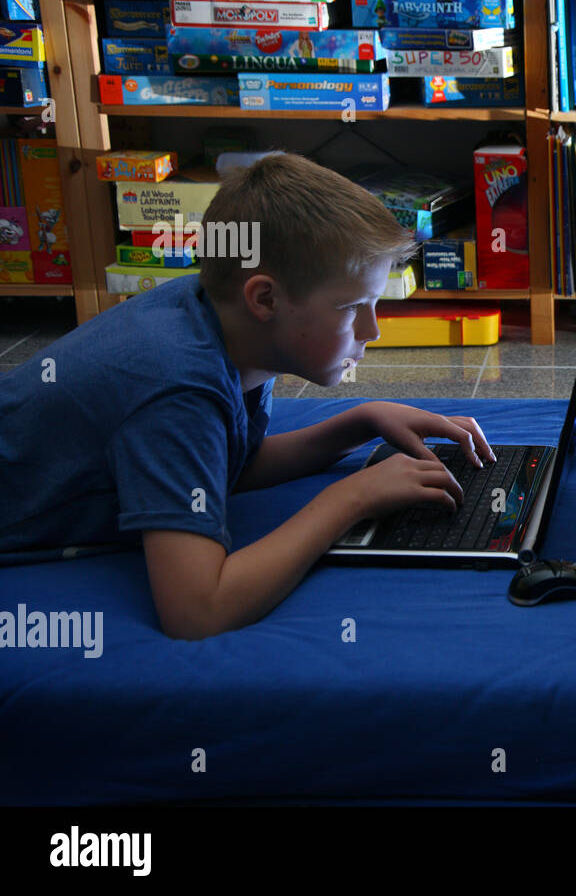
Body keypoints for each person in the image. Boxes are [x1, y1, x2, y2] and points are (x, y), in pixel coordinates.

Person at [0, 152, 495, 637]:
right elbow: (198, 612)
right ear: (265, 298)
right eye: (353, 307)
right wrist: (351, 498)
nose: (373, 330)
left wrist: (359, 423)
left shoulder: (225, 321)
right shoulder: (178, 389)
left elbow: (224, 463)